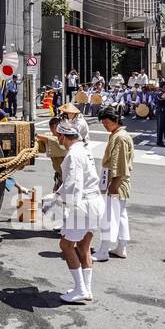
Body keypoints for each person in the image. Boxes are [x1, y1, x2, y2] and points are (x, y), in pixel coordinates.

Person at [51, 120, 102, 303]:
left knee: (66, 246)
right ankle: (86, 289)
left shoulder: (73, 154)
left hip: (83, 204)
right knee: (83, 246)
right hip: (95, 201)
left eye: (58, 136)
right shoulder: (84, 149)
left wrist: (60, 203)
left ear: (63, 136)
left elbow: (74, 184)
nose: (58, 139)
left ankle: (80, 289)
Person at [95, 107, 133, 261]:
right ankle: (121, 247)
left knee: (109, 216)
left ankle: (104, 249)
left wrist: (114, 184)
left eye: (107, 123)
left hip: (116, 181)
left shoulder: (120, 137)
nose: (105, 125)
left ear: (116, 120)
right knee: (120, 215)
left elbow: (120, 164)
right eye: (103, 123)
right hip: (116, 181)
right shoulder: (117, 135)